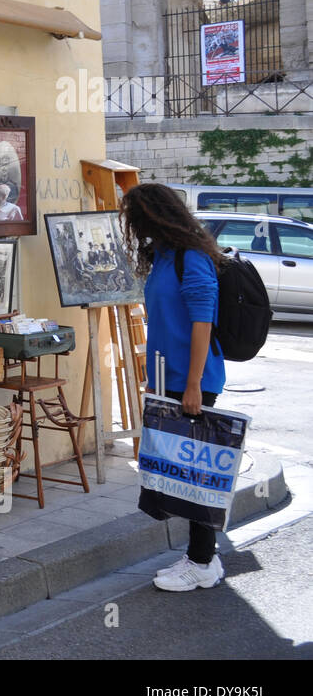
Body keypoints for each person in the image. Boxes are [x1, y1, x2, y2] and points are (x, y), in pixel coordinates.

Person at [119, 182, 227, 592]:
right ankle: (203, 556)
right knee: (183, 473)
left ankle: (202, 562)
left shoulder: (191, 257)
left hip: (192, 382)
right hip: (169, 380)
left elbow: (203, 322)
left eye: (134, 215)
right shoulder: (164, 255)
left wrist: (194, 386)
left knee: (196, 473)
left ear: (154, 214)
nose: (131, 223)